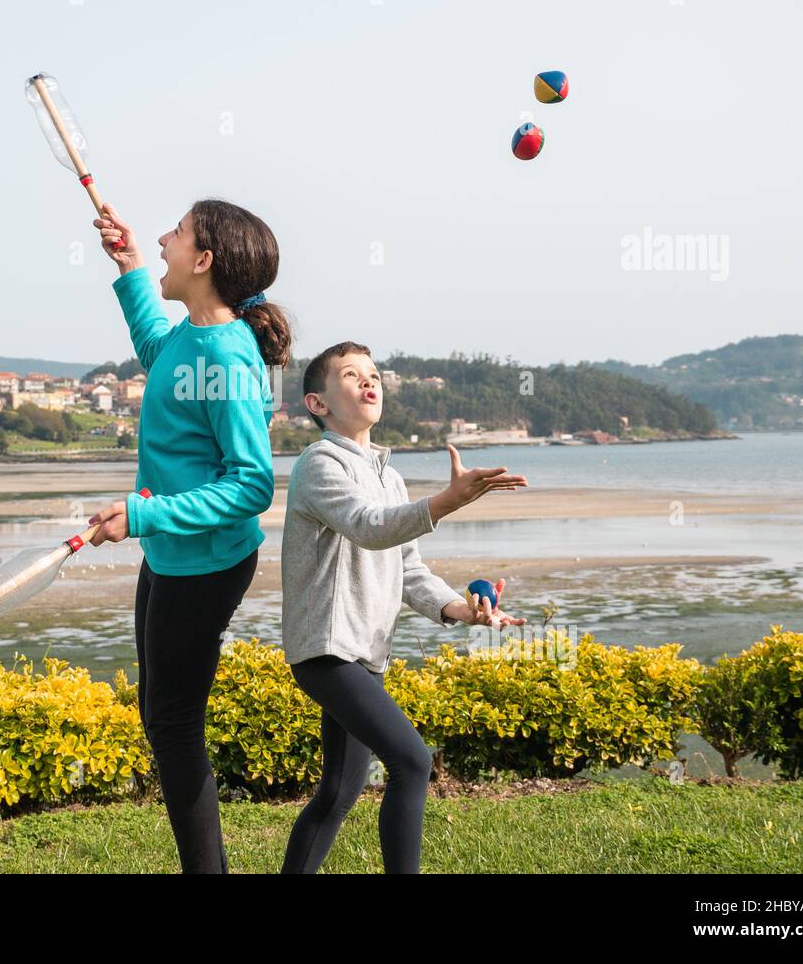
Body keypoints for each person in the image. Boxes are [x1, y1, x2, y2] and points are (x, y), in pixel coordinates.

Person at [86, 198, 292, 873]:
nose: (162, 238)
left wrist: (141, 516)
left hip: (204, 562)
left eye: (175, 234)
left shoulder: (230, 359)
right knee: (161, 714)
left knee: (173, 726)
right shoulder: (192, 338)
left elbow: (251, 487)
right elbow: (158, 352)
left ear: (204, 262)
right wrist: (131, 270)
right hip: (175, 552)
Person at [280, 341, 528, 873]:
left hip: (363, 656)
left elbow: (407, 568)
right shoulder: (319, 463)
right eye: (351, 375)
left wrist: (462, 609)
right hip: (326, 649)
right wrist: (447, 501)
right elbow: (370, 528)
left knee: (338, 794)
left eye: (373, 374)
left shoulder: (388, 476)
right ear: (317, 404)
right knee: (412, 762)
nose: (370, 382)